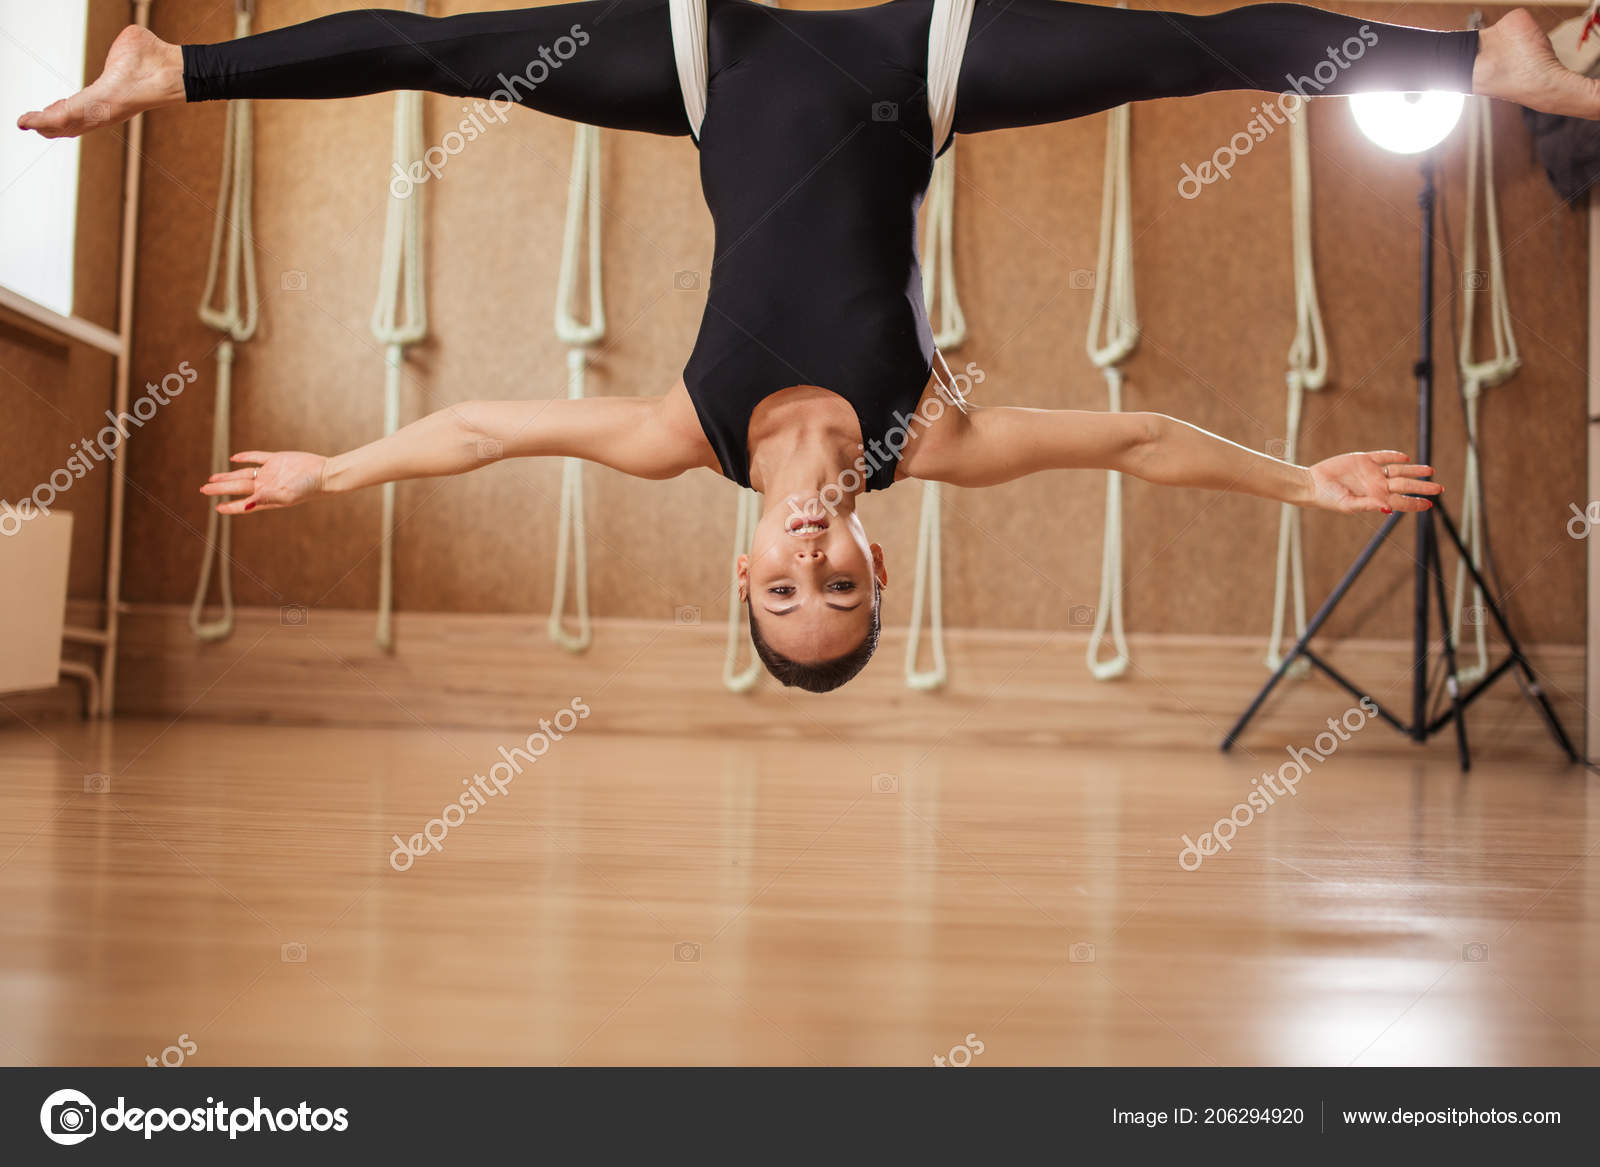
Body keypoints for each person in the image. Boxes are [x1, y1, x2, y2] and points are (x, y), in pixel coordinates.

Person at [21, 2, 1590, 690]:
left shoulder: (683, 437)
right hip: (925, 67)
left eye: (784, 589)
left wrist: (336, 472)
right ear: (877, 573)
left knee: (451, 52)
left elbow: (481, 434)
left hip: (714, 62)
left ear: (746, 568)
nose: (812, 561)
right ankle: (1486, 57)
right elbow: (1136, 443)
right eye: (838, 589)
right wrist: (1304, 488)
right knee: (1194, 54)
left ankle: (176, 65)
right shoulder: (931, 446)